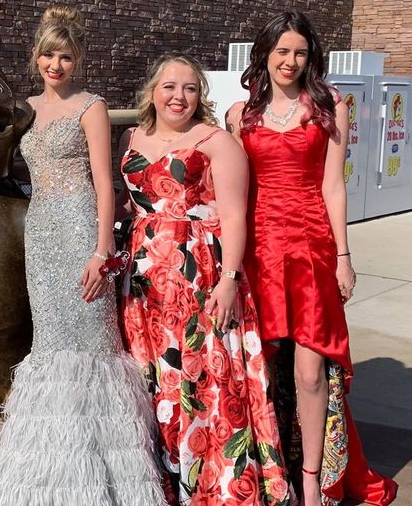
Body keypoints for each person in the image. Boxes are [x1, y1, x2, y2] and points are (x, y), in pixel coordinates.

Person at [0, 5, 165, 505]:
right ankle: (51, 467)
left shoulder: (92, 106)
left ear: (77, 60)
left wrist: (102, 250)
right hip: (40, 229)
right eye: (48, 55)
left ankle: (105, 474)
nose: (56, 65)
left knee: (91, 337)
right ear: (36, 58)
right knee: (50, 340)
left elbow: (106, 186)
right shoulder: (23, 108)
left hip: (82, 224)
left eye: (65, 56)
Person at [226, 11, 397, 506]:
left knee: (309, 370)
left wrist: (343, 254)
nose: (290, 61)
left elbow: (333, 186)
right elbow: (233, 190)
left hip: (309, 247)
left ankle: (311, 478)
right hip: (257, 248)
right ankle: (264, 467)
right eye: (281, 51)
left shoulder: (329, 106)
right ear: (265, 54)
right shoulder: (241, 115)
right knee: (262, 364)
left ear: (310, 57)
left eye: (299, 52)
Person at [118, 54, 292, 505]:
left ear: (201, 95)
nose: (179, 96)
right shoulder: (130, 137)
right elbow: (125, 204)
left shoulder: (217, 142)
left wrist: (230, 279)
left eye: (190, 88)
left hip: (201, 277)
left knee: (202, 376)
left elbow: (236, 217)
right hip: (142, 284)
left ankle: (213, 487)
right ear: (152, 91)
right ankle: (160, 485)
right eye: (170, 86)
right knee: (153, 379)